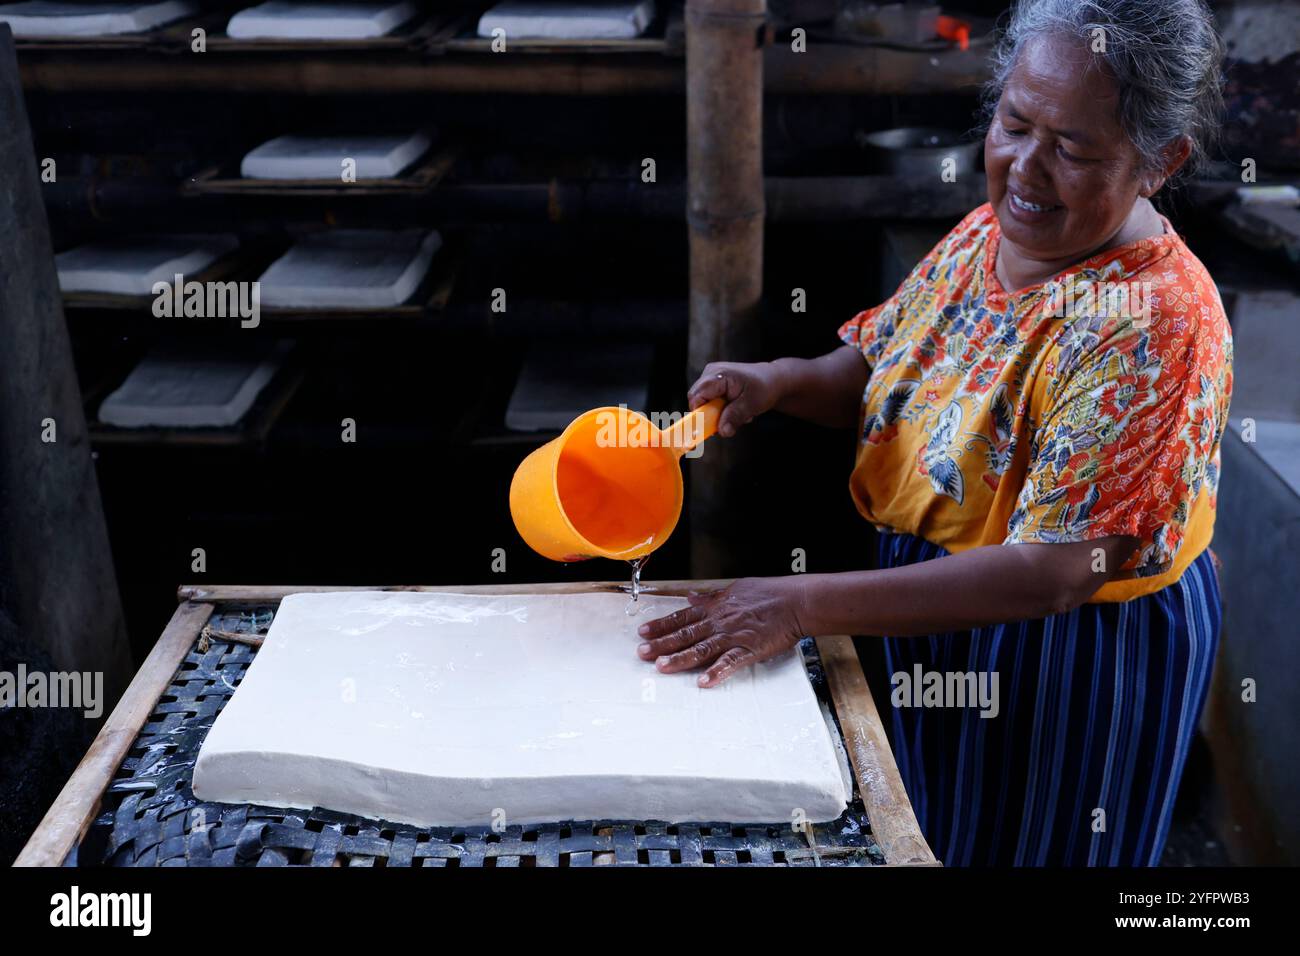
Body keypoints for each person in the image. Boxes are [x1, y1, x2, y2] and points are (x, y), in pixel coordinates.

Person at [636, 0, 1232, 866]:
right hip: (937, 608)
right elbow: (890, 367)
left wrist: (800, 603)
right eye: (1014, 122)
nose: (1026, 167)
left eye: (1072, 148)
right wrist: (780, 383)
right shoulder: (995, 227)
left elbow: (1059, 570)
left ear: (1159, 162)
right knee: (931, 839)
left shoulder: (1153, 321)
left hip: (1070, 648)